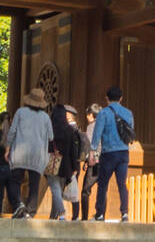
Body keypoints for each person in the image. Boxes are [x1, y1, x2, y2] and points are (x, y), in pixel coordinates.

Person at [5, 88, 54, 217]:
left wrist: (8, 148)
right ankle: (31, 212)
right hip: (37, 156)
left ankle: (19, 204)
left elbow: (12, 131)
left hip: (20, 153)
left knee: (14, 181)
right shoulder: (45, 117)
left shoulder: (20, 112)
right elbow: (51, 136)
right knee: (34, 184)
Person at [90, 86, 136, 221]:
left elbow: (97, 134)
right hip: (123, 153)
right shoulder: (128, 113)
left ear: (107, 98)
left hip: (108, 153)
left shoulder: (103, 113)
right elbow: (130, 131)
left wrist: (92, 152)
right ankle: (124, 213)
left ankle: (100, 214)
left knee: (103, 184)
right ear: (121, 98)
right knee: (122, 183)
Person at [46, 99, 80, 220]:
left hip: (52, 162)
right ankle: (53, 216)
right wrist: (75, 167)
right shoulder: (70, 130)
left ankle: (61, 213)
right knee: (58, 191)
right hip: (65, 165)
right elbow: (73, 151)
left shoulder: (49, 129)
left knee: (55, 190)